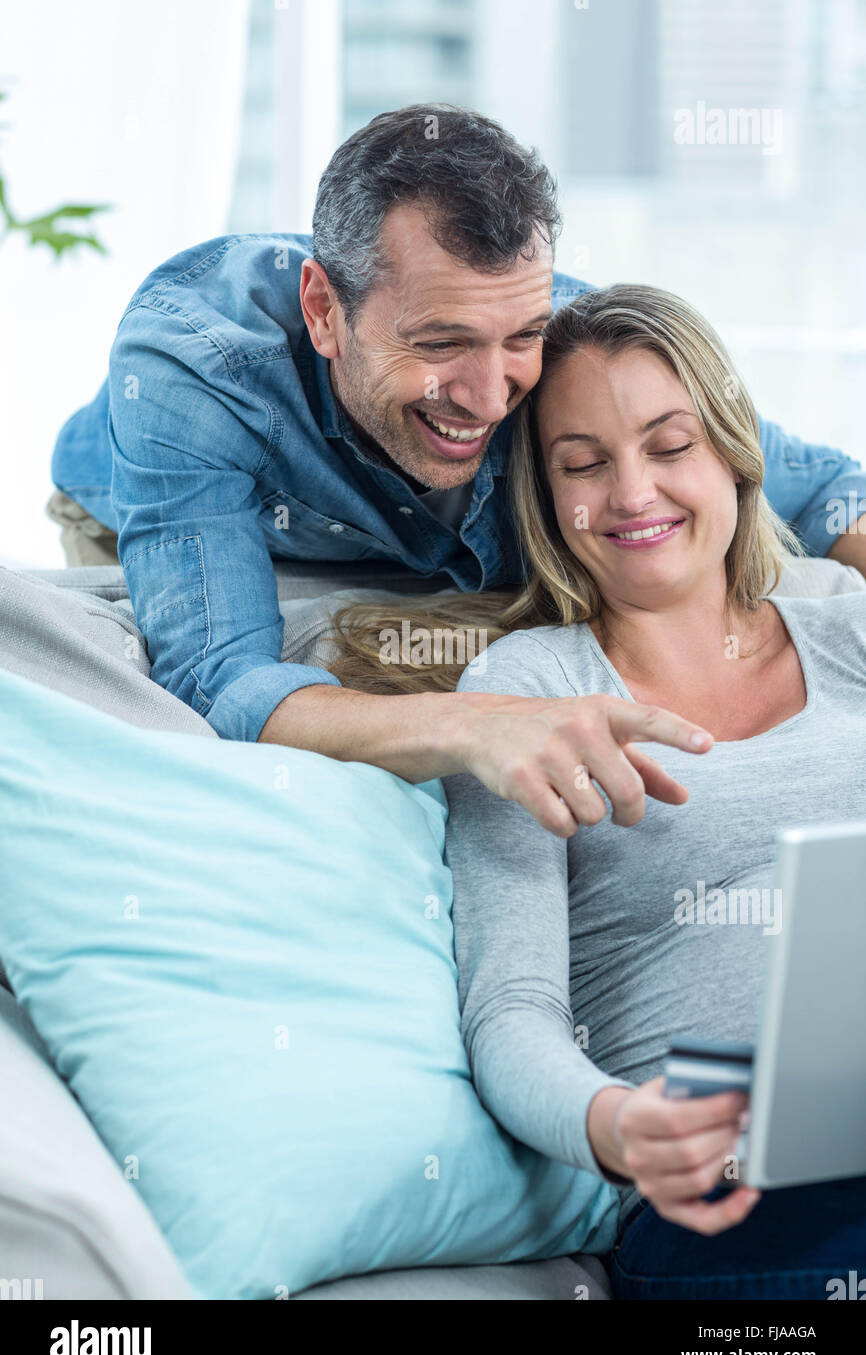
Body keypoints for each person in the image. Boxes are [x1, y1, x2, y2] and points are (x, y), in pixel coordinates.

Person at [48, 104, 866, 840]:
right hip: (190, 522)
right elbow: (218, 681)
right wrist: (478, 723)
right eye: (440, 344)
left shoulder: (567, 340)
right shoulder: (195, 360)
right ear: (324, 311)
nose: (486, 397)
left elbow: (834, 496)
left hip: (433, 552)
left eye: (520, 338)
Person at [328, 283, 866, 1299]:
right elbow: (512, 1009)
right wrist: (616, 1124)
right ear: (544, 493)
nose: (630, 494)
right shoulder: (527, 690)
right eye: (583, 464)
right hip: (733, 1199)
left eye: (668, 448)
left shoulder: (853, 636)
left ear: (730, 456)